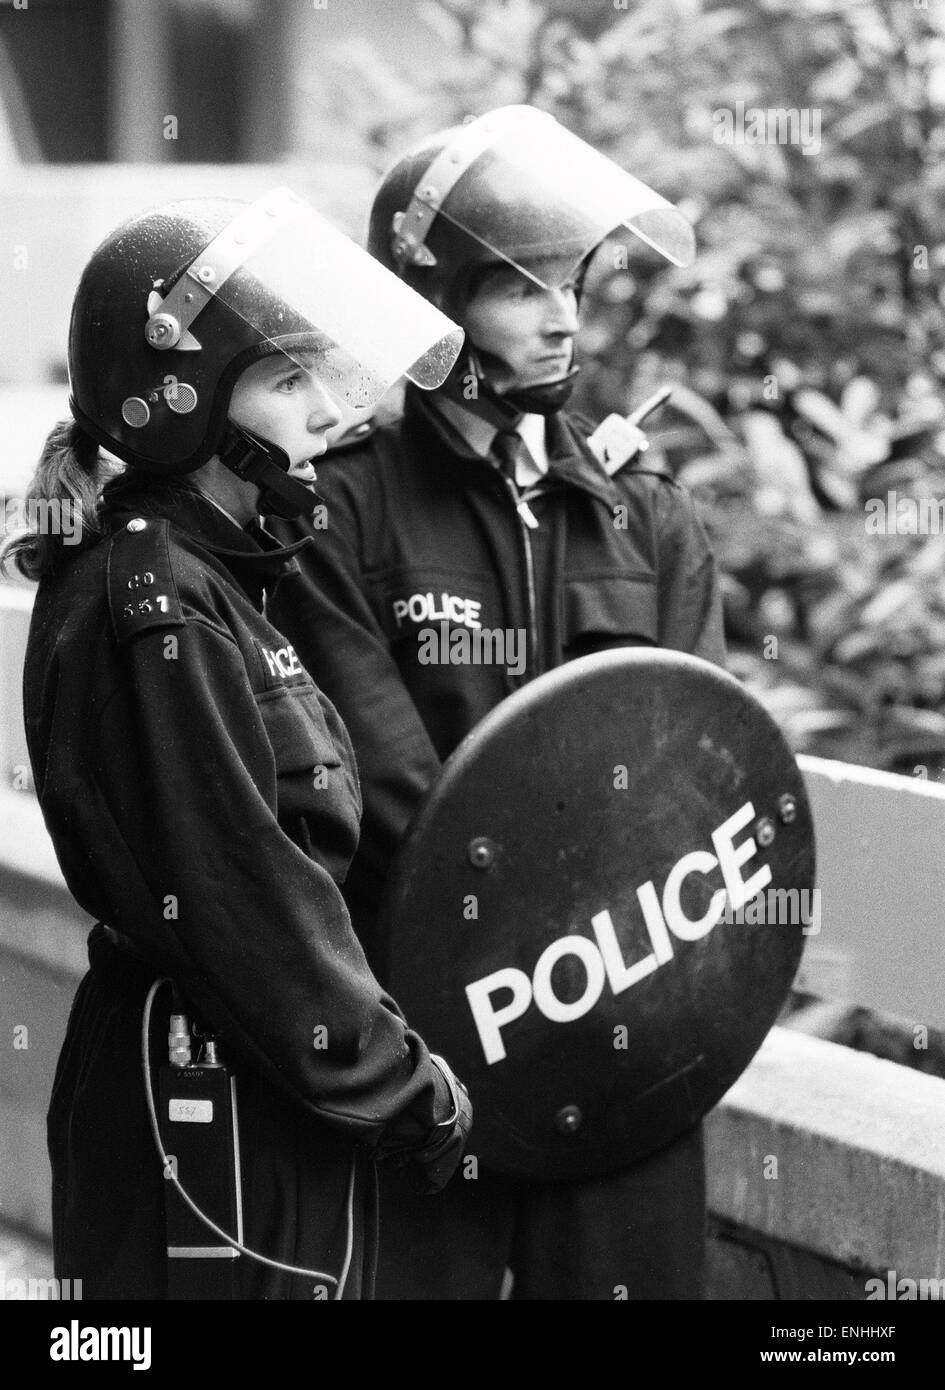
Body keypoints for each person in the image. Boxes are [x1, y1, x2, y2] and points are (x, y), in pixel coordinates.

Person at [267, 107, 726, 1301]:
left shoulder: (647, 515)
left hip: (625, 1042)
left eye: (571, 279)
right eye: (520, 286)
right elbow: (386, 786)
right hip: (429, 1064)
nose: (564, 314)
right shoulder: (342, 511)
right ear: (431, 302)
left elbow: (704, 781)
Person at [3, 188, 472, 1301]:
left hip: (254, 1096)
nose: (327, 416)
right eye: (289, 378)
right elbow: (240, 891)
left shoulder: (211, 580)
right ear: (181, 401)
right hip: (197, 1105)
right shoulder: (153, 602)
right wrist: (407, 1087)